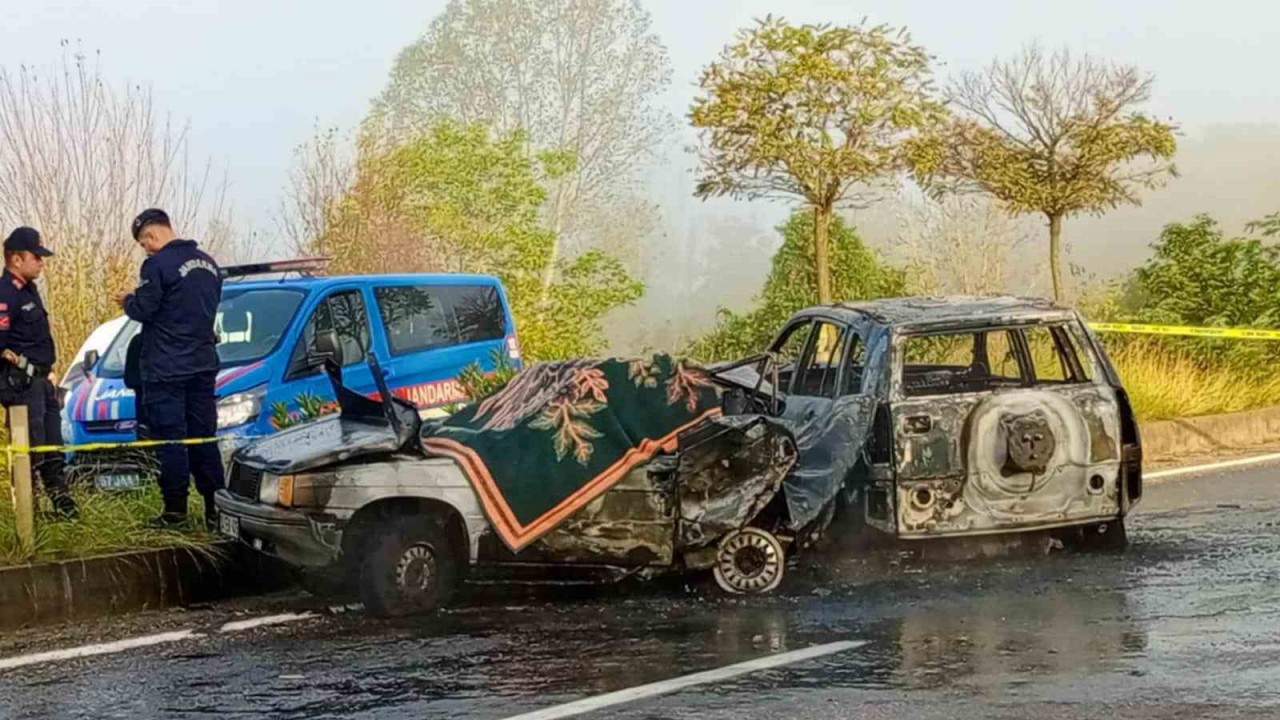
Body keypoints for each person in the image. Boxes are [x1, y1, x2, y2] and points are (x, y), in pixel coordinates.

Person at [115, 209, 223, 528]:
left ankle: (175, 513)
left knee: (171, 441)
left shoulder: (157, 265)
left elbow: (144, 309)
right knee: (204, 439)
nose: (145, 248)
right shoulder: (209, 265)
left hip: (166, 370)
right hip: (202, 366)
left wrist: (127, 300)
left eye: (143, 242)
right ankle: (215, 509)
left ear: (150, 234)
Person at [0, 227, 77, 519]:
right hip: (21, 384)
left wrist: (48, 372)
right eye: (36, 257)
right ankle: (28, 517)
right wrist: (20, 367)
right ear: (16, 259)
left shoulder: (29, 290)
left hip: (42, 381)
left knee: (52, 446)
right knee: (30, 451)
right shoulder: (5, 293)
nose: (41, 263)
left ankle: (63, 506)